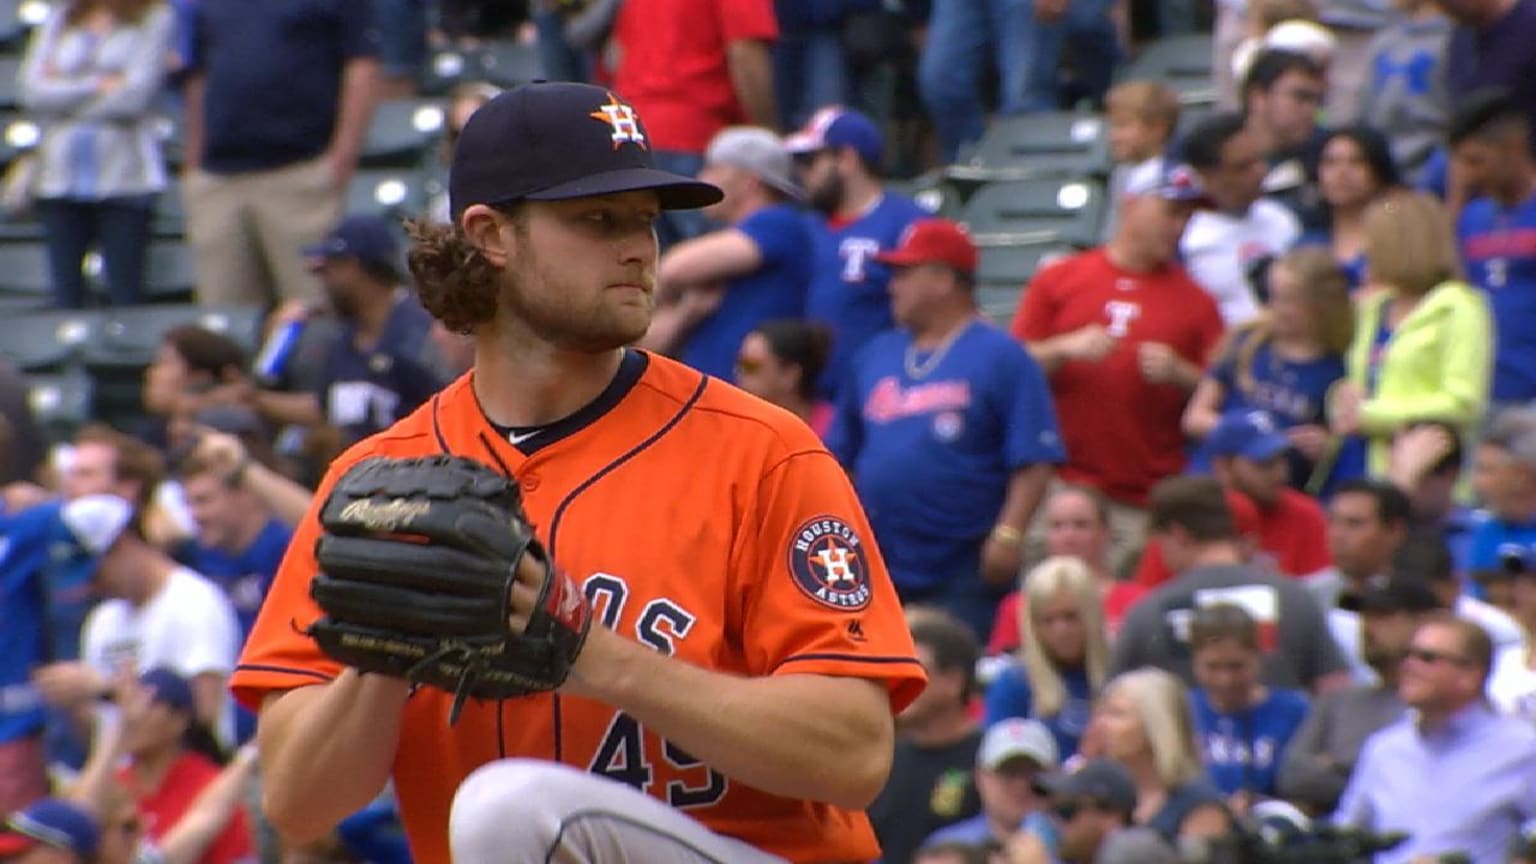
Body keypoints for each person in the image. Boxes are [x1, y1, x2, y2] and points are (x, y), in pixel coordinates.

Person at [232, 82, 925, 864]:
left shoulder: (762, 451)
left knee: (510, 808)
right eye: (598, 220)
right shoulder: (380, 484)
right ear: (491, 234)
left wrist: (598, 658)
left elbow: (856, 756)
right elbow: (297, 803)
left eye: (646, 223)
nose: (639, 248)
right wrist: (386, 656)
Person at [829, 218, 1062, 639]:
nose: (891, 286)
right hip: (880, 558)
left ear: (941, 279)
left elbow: (1034, 460)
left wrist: (1008, 536)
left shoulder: (1003, 355)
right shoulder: (875, 354)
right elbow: (839, 456)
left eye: (904, 273)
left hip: (965, 561)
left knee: (951, 675)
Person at [1011, 163, 1225, 575]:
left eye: (1186, 217)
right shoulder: (1060, 279)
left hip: (1142, 496)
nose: (1179, 227)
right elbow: (1011, 369)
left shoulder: (1198, 302)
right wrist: (1062, 348)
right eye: (1170, 212)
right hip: (1062, 486)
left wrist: (1182, 374)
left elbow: (1225, 392)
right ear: (1131, 206)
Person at [1111, 476, 1350, 694]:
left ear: (1178, 534)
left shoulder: (1149, 613)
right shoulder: (1294, 598)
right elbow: (1335, 691)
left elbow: (1115, 699)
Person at [1333, 614, 1536, 864]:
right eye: (1407, 655)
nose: (1408, 665)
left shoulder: (1522, 750)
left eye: (1427, 658)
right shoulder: (1384, 748)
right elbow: (1345, 836)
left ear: (1470, 674)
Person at [1330, 192, 1492, 477]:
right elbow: (1362, 382)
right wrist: (1340, 399)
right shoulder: (1373, 307)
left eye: (1372, 238)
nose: (1364, 248)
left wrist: (1371, 416)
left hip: (1428, 473)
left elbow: (1463, 403)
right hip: (1360, 464)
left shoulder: (1459, 307)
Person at [642, 126, 813, 380]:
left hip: (750, 396)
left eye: (714, 168)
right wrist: (687, 311)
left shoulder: (780, 222)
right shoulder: (727, 241)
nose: (703, 176)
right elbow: (645, 348)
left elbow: (673, 268)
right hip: (703, 394)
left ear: (749, 182)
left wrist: (663, 290)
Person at [1183, 248, 1353, 493]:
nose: (1275, 306)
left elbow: (1334, 440)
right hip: (1213, 481)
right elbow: (1195, 418)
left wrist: (1322, 446)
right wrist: (1256, 435)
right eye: (1272, 296)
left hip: (1275, 493)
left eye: (1287, 300)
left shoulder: (1336, 369)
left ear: (1320, 306)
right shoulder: (1247, 342)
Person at [790, 107, 928, 400]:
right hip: (808, 399)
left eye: (810, 160)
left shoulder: (909, 222)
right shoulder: (802, 227)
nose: (802, 173)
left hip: (879, 393)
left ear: (847, 159)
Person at [1276, 575, 1429, 814]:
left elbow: (1416, 781)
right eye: (1365, 615)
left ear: (1421, 623)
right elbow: (1292, 775)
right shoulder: (1338, 701)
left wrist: (1337, 765)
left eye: (1384, 616)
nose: (1368, 627)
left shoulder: (1432, 706)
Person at [869, 609, 985, 864]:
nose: (898, 682)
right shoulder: (881, 760)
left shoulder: (990, 760)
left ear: (954, 681)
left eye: (915, 670)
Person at [1449, 90, 1536, 413]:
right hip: (1481, 391)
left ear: (1514, 148)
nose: (1468, 174)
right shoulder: (1472, 217)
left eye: (1476, 161)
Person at [985, 486, 1147, 652]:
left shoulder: (1138, 601)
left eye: (1081, 525)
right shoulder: (1018, 608)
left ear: (1105, 533)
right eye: (1057, 526)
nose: (1068, 536)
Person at [115, 669, 252, 864]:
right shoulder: (116, 786)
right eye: (129, 704)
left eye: (147, 706)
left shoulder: (213, 787)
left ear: (179, 720)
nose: (134, 716)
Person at [1179, 112, 1301, 327]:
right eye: (1243, 167)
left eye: (1259, 160)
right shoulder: (1185, 239)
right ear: (1207, 176)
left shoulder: (1282, 218)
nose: (1260, 172)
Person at [983, 557, 1107, 761]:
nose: (1061, 630)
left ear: (1092, 615)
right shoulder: (1013, 682)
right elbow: (994, 764)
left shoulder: (1121, 673)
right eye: (1047, 620)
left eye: (1071, 617)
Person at [1088, 668, 1231, 843]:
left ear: (1156, 725)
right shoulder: (1104, 794)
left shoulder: (1200, 805)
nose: (1100, 725)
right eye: (1101, 713)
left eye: (1117, 714)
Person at [1186, 604, 1310, 806]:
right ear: (1194, 661)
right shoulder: (1181, 711)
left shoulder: (1296, 712)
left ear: (1258, 658)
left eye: (1236, 666)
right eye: (1212, 667)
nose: (1225, 680)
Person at [919, 718, 1060, 853]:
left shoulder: (1071, 847)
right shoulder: (949, 850)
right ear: (980, 777)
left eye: (1032, 772)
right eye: (1008, 772)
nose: (1020, 785)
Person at [1296, 128, 1402, 289]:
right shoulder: (1305, 245)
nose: (1342, 173)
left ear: (1377, 173)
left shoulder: (1396, 244)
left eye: (1356, 162)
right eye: (1330, 163)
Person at [1031, 760, 1180, 864]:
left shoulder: (1136, 851)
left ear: (1111, 817)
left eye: (1065, 812)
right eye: (1050, 812)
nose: (1055, 822)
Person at [732, 320, 834, 439]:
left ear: (790, 374)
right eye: (740, 363)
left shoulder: (833, 428)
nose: (738, 372)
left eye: (751, 366)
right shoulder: (737, 427)